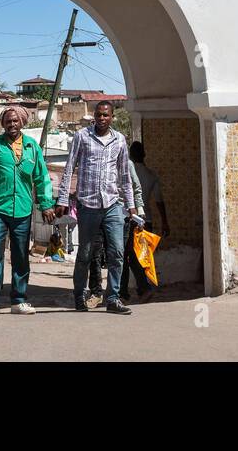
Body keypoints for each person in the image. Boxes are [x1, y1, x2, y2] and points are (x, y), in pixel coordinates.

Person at [0, 105, 56, 316]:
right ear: (3, 124)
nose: (12, 124)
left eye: (15, 121)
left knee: (20, 256)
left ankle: (18, 300)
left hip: (23, 210)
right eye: (8, 121)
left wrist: (46, 204)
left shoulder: (31, 147)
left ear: (22, 122)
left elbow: (41, 178)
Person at [54, 100, 139, 314]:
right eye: (99, 115)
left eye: (106, 115)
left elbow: (125, 176)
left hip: (113, 205)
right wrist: (63, 199)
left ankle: (112, 298)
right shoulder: (82, 136)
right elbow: (69, 167)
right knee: (85, 252)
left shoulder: (119, 140)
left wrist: (132, 206)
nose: (102, 118)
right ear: (94, 116)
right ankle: (79, 295)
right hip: (88, 204)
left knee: (117, 252)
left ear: (112, 117)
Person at [86, 154, 145, 307]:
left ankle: (120, 293)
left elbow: (136, 188)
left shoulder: (128, 164)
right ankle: (96, 292)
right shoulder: (95, 160)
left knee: (119, 254)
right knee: (95, 253)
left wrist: (139, 212)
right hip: (97, 211)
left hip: (122, 215)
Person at [121, 141, 170, 303]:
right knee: (142, 256)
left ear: (131, 154)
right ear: (144, 154)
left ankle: (140, 288)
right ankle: (138, 288)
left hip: (131, 219)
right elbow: (159, 200)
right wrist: (165, 222)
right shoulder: (151, 175)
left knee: (128, 255)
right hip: (147, 220)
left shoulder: (127, 169)